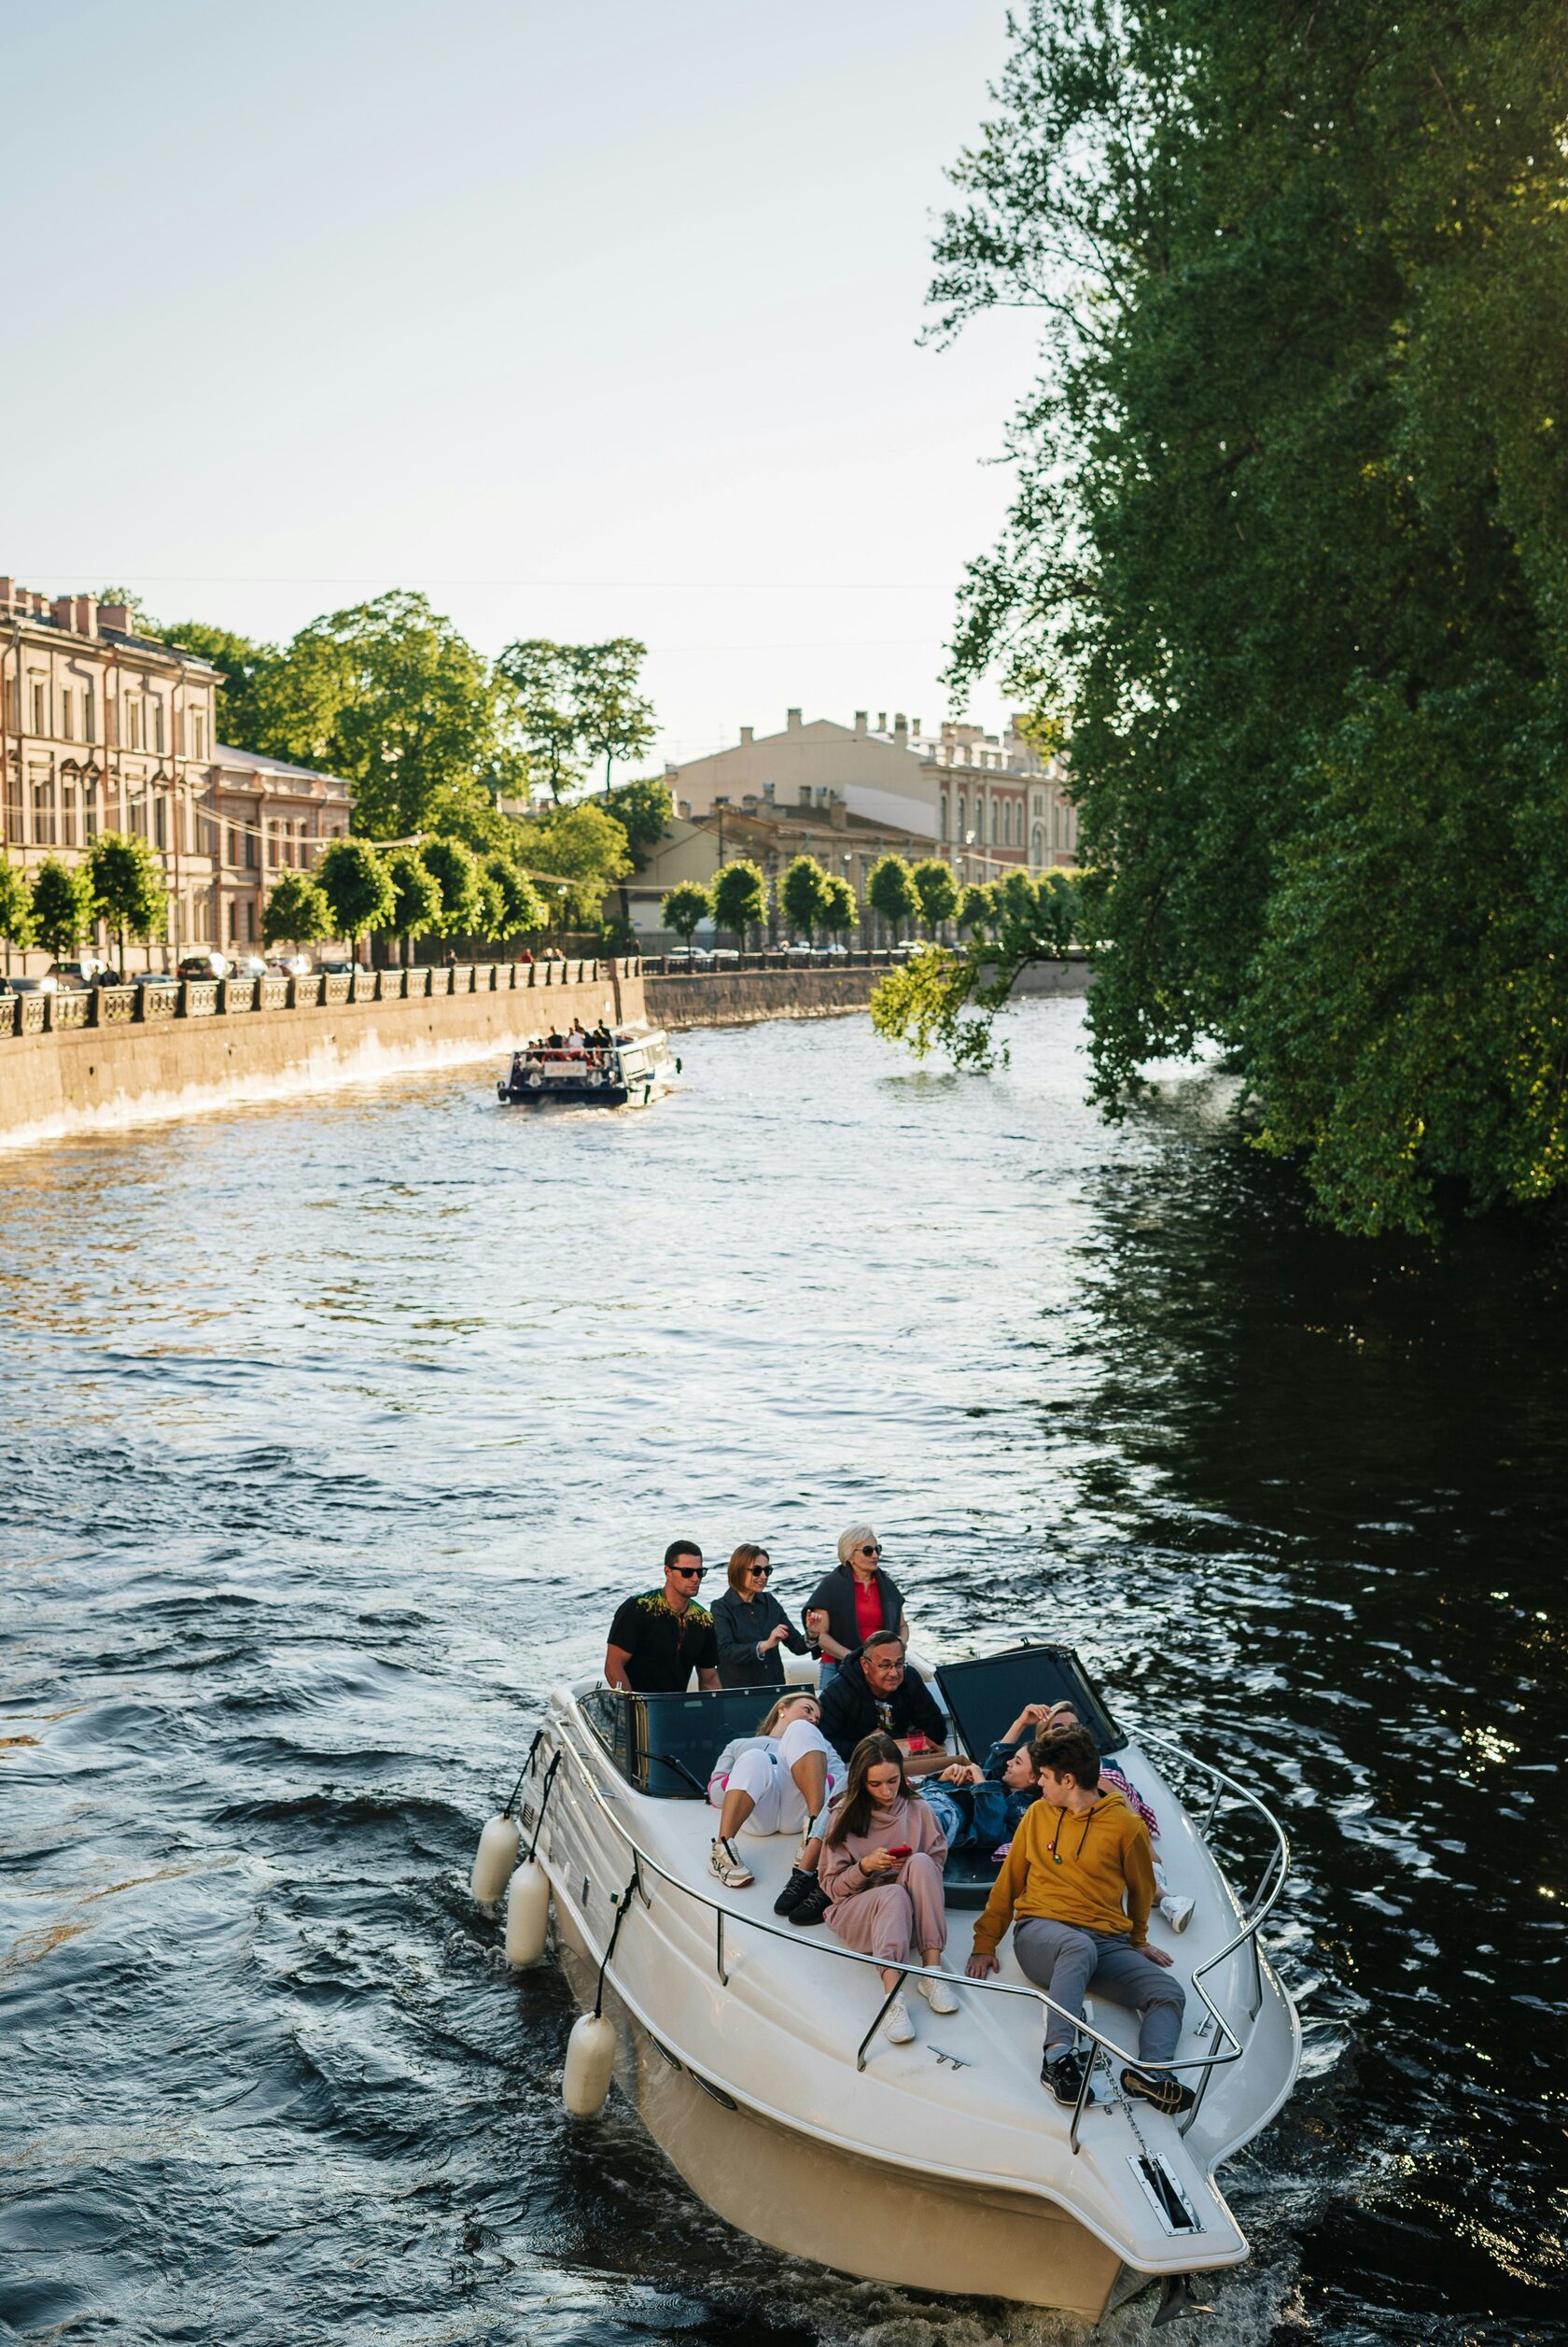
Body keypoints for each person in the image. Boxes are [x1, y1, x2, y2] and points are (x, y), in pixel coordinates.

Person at [965, 1725, 1191, 2115]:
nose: (1038, 1784)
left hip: (1103, 1942)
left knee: (1168, 1992)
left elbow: (1141, 1889)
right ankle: (1057, 2059)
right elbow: (1009, 1881)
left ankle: (1152, 2071)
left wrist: (1137, 1940)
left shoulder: (1126, 1827)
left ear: (1068, 1780)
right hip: (1041, 1935)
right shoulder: (1038, 1814)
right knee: (1076, 1945)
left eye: (1045, 1777)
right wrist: (985, 1941)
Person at [819, 1733, 958, 2045]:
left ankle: (932, 1974)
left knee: (922, 1862)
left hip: (910, 1913)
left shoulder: (919, 1809)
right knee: (892, 1894)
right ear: (861, 1782)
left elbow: (936, 1862)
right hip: (859, 1913)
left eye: (893, 1781)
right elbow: (832, 1888)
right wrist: (866, 1867)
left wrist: (906, 1869)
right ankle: (892, 1998)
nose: (887, 1791)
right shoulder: (844, 1816)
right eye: (876, 1784)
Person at [1030, 1700, 1195, 1933]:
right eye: (1058, 1727)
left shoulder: (1100, 1767)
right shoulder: (1037, 1767)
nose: (1067, 1732)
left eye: (1074, 1728)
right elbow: (998, 1770)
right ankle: (1161, 1895)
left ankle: (1160, 1894)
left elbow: (1118, 1797)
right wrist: (1019, 1723)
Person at [706, 1690, 841, 1888]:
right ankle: (722, 1848)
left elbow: (841, 1782)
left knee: (802, 1730)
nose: (813, 1718)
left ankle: (813, 1833)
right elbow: (716, 1793)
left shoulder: (820, 1744)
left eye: (817, 1718)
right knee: (755, 1757)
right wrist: (745, 1773)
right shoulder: (740, 1745)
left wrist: (810, 1773)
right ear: (782, 1709)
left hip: (800, 1811)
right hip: (757, 1812)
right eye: (807, 1709)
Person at [817, 1631, 948, 1774]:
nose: (894, 1673)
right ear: (865, 1665)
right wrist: (868, 1745)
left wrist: (902, 1743)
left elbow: (938, 1729)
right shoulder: (838, 1691)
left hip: (905, 1763)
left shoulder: (910, 1678)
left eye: (899, 1664)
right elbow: (822, 1744)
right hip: (854, 1768)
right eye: (885, 1665)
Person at [922, 1708, 1045, 1854]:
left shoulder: (1023, 1810)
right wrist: (944, 1777)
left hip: (942, 1815)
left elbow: (991, 1834)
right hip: (927, 1797)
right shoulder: (998, 1781)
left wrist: (982, 1785)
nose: (1009, 1763)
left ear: (1033, 1777)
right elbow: (999, 1755)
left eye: (1018, 1762)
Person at [604, 1540, 721, 1694]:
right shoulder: (639, 1608)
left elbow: (709, 1679)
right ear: (668, 1572)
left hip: (674, 1710)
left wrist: (720, 1715)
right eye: (687, 1572)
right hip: (634, 1709)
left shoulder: (704, 1620)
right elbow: (613, 1666)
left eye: (700, 1572)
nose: (695, 1578)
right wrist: (636, 1708)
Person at [802, 1527, 909, 1678]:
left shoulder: (887, 1585)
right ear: (850, 1555)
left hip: (882, 1669)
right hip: (838, 1668)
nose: (875, 1555)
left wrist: (898, 1648)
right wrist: (855, 1658)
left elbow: (902, 1626)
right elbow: (821, 1635)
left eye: (878, 1549)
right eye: (868, 1550)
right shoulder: (831, 1586)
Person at [711, 1545, 809, 1689]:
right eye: (757, 1571)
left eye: (767, 1570)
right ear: (738, 1571)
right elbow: (726, 1651)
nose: (763, 1576)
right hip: (741, 1693)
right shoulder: (721, 1608)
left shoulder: (770, 1602)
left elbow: (796, 1645)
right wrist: (765, 1645)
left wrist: (812, 1635)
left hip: (775, 1689)